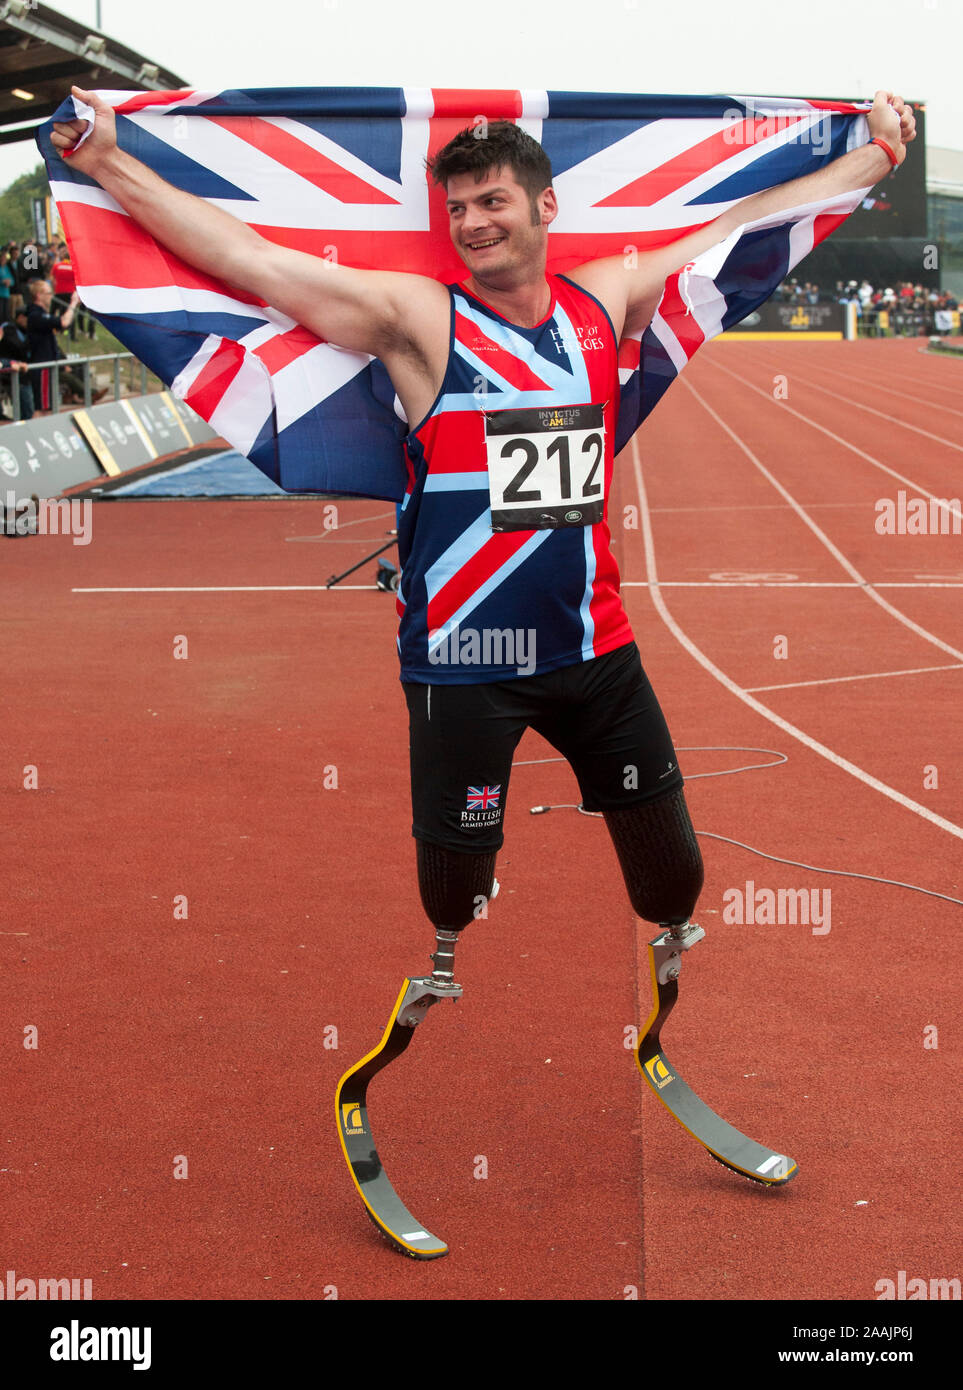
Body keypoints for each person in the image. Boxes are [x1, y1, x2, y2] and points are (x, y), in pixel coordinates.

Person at [50, 84, 915, 962]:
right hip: (465, 665)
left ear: (545, 206)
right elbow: (255, 263)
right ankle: (450, 939)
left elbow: (738, 227)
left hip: (594, 653)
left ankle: (668, 940)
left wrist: (873, 156)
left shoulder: (602, 300)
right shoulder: (418, 319)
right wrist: (107, 161)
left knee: (672, 880)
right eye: (456, 208)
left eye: (491, 202)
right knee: (449, 902)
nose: (471, 223)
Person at [25, 278, 105, 410]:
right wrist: (73, 303)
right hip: (42, 367)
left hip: (50, 365)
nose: (51, 296)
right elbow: (64, 322)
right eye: (49, 293)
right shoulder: (35, 315)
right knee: (43, 409)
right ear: (39, 295)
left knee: (48, 408)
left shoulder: (41, 314)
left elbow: (62, 325)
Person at [0, 305, 34, 419]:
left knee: (28, 411)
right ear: (20, 317)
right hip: (12, 376)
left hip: (22, 373)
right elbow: (18, 347)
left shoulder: (28, 331)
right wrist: (10, 363)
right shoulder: (9, 329)